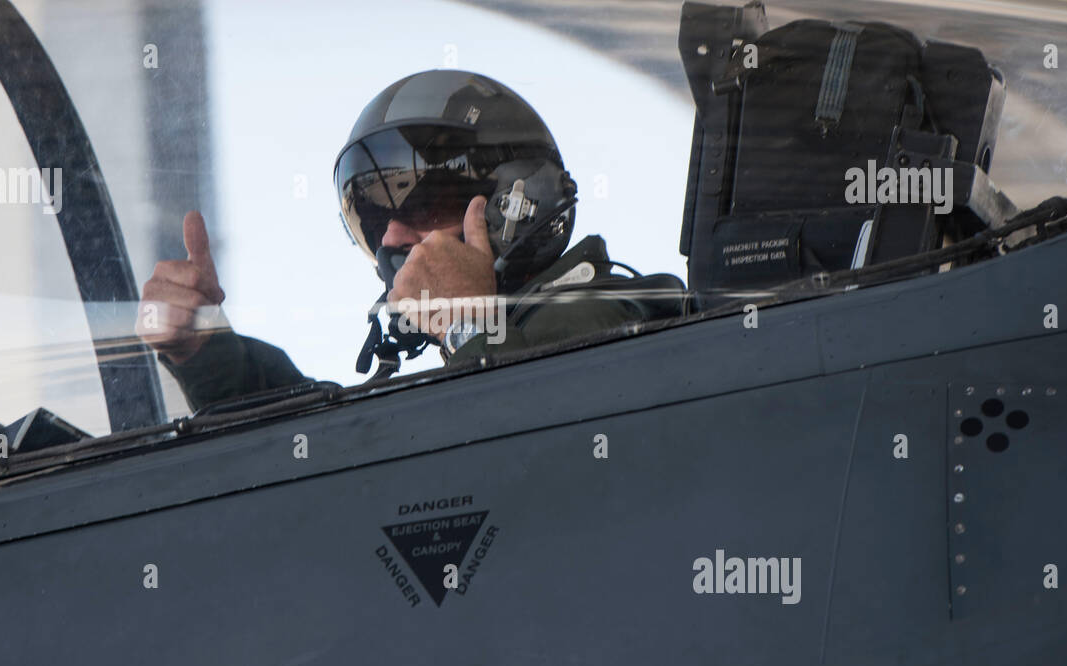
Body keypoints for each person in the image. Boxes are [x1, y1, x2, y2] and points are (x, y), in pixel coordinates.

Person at [135, 70, 683, 413]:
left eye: (421, 204)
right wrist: (203, 350)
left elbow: (545, 451)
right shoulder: (461, 369)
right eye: (374, 220)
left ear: (516, 200)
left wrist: (470, 324)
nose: (393, 237)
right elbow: (324, 456)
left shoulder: (621, 319)